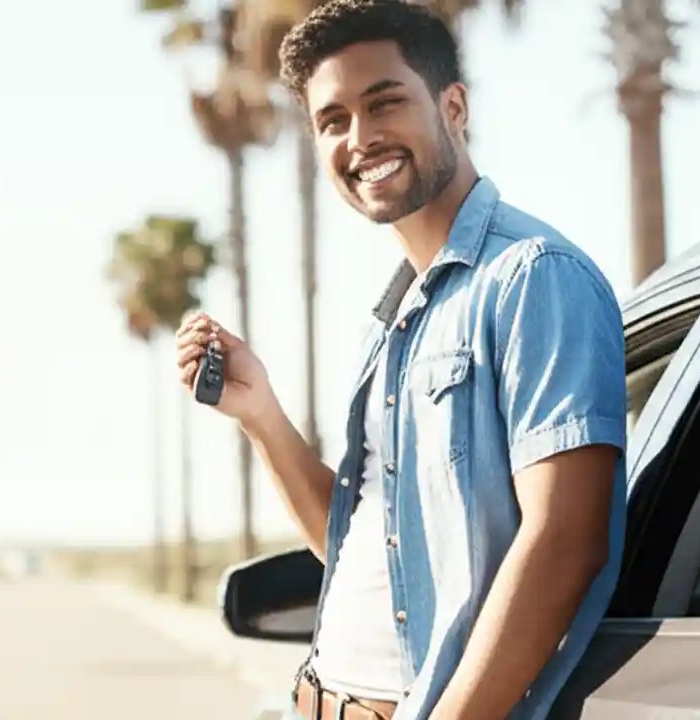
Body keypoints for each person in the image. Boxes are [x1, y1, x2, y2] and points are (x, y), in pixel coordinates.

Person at [173, 1, 627, 718]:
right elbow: (373, 542)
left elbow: (565, 542)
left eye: (385, 103)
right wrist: (260, 416)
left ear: (453, 106)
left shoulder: (533, 277)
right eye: (333, 120)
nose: (360, 137)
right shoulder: (395, 318)